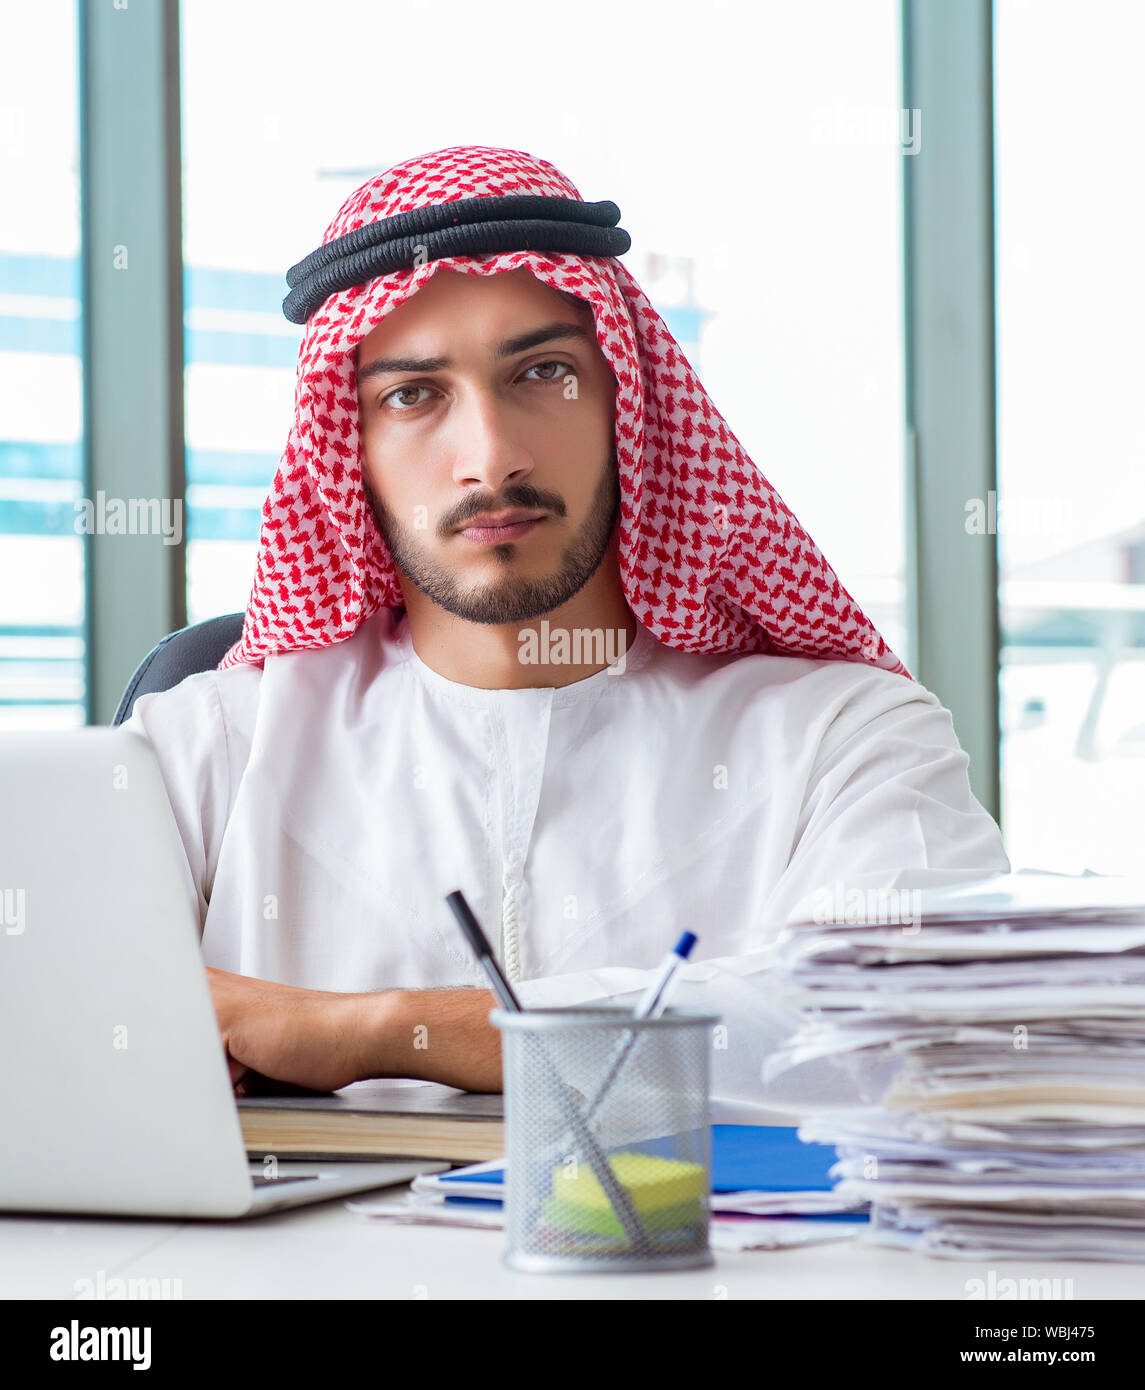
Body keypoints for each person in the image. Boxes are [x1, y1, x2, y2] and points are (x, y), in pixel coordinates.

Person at [122, 144, 1010, 1113]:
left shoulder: (844, 736)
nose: (490, 457)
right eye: (412, 396)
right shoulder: (205, 749)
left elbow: (916, 1029)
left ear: (627, 400)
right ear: (352, 447)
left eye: (542, 373)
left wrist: (376, 1031)